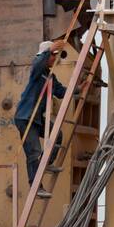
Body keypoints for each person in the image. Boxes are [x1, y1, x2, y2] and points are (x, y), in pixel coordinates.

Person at [14, 40, 67, 197]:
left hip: (36, 118)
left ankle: (47, 163)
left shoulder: (50, 76)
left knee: (57, 134)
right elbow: (37, 62)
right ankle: (36, 187)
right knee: (34, 152)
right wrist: (50, 49)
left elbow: (61, 91)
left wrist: (80, 88)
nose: (55, 60)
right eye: (54, 56)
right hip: (25, 117)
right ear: (47, 55)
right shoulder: (38, 71)